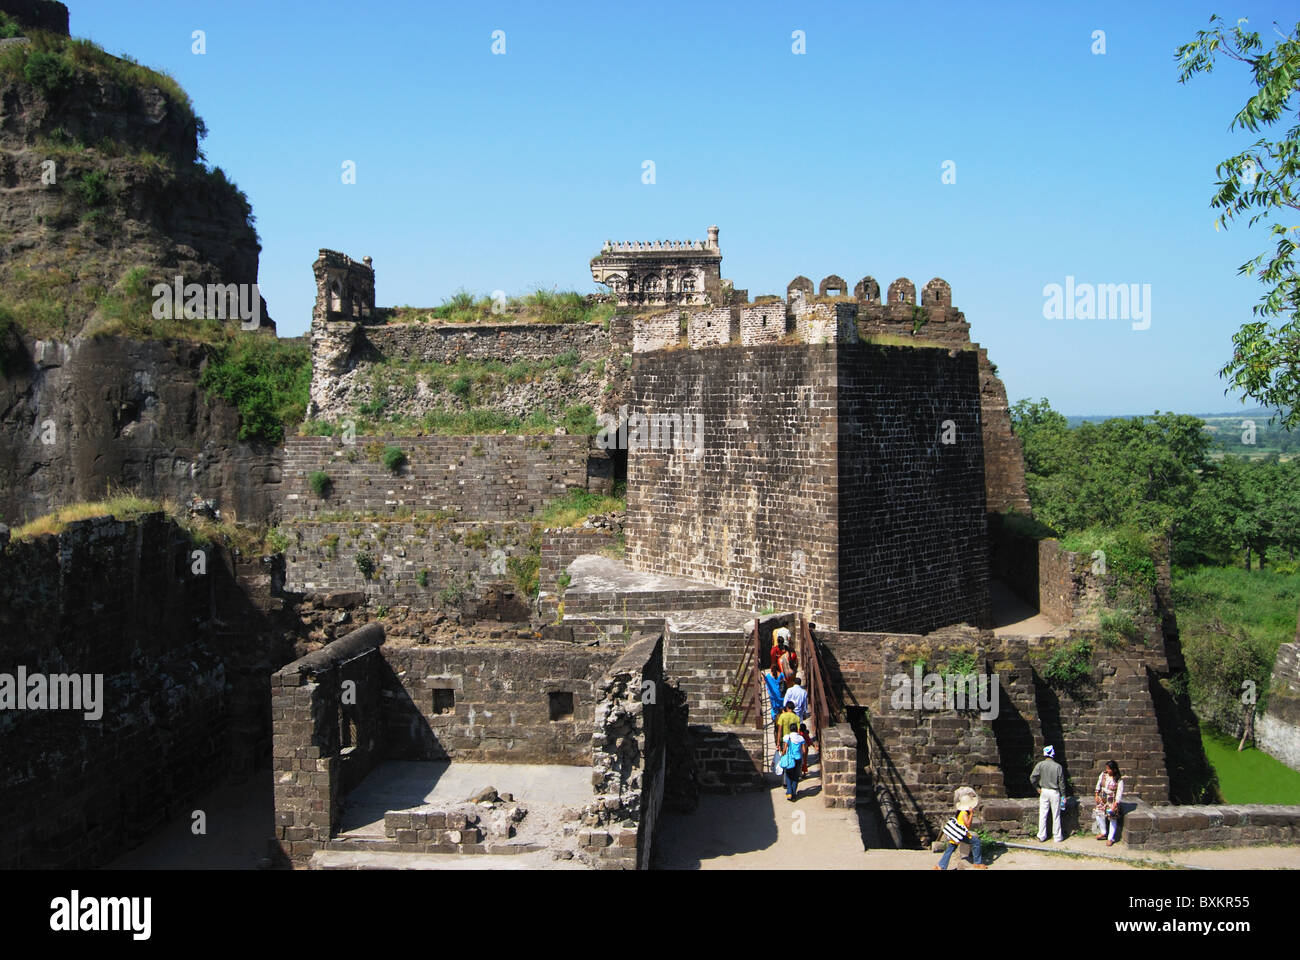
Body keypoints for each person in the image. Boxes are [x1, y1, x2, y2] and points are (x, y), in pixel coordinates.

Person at [935, 787, 988, 870]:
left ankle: (940, 866)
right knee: (976, 842)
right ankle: (977, 863)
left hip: (956, 833)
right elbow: (967, 824)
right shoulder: (964, 813)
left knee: (950, 849)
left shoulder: (960, 812)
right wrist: (971, 814)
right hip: (961, 834)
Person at [1030, 745, 1067, 842]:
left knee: (1043, 814)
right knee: (1056, 815)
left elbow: (1032, 778)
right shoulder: (1058, 766)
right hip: (1054, 792)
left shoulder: (1040, 765)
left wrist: (1037, 787)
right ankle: (1057, 836)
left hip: (1044, 791)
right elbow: (1061, 782)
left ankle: (1041, 835)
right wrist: (1063, 795)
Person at [1093, 760, 1125, 846]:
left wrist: (1115, 804)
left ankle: (1111, 838)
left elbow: (1119, 793)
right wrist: (1096, 795)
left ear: (1114, 770)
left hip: (1112, 800)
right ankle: (1103, 832)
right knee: (1099, 814)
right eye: (1106, 768)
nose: (1107, 770)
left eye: (1109, 769)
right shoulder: (1103, 775)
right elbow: (1098, 785)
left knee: (1112, 818)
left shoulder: (1119, 780)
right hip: (1103, 799)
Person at [779, 723, 806, 801]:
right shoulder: (801, 738)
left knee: (788, 775)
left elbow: (785, 748)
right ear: (797, 729)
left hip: (790, 759)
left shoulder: (788, 737)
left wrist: (782, 754)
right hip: (798, 759)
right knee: (796, 776)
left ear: (790, 729)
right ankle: (794, 793)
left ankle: (789, 792)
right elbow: (804, 751)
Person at [763, 664, 785, 748]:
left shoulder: (768, 676)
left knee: (775, 710)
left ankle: (775, 718)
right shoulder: (781, 675)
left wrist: (763, 678)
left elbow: (765, 683)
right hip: (781, 698)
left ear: (771, 670)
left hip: (774, 698)